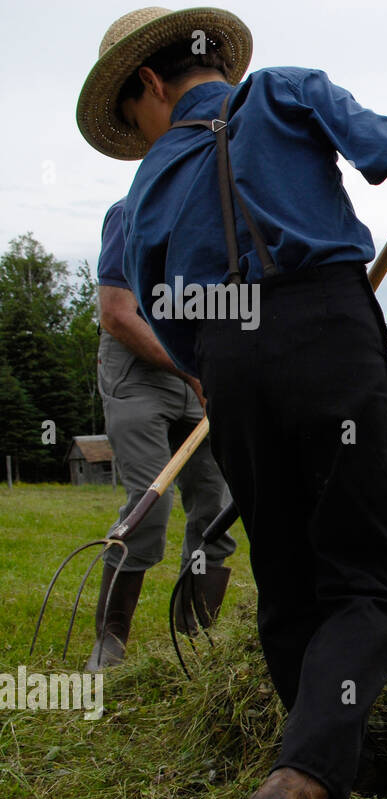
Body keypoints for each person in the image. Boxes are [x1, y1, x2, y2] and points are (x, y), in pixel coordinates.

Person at [78, 6, 387, 799]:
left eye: (134, 116)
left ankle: (350, 763)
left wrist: (215, 366)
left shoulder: (149, 181)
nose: (142, 131)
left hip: (228, 365)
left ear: (151, 83)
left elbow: (159, 305)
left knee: (290, 583)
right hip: (326, 332)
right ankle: (299, 782)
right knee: (371, 583)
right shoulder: (284, 92)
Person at [88, 196, 236, 672]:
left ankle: (193, 641)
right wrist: (194, 374)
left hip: (194, 365)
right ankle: (109, 641)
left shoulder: (216, 216)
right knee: (152, 502)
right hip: (136, 366)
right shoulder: (130, 213)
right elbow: (116, 312)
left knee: (214, 502)